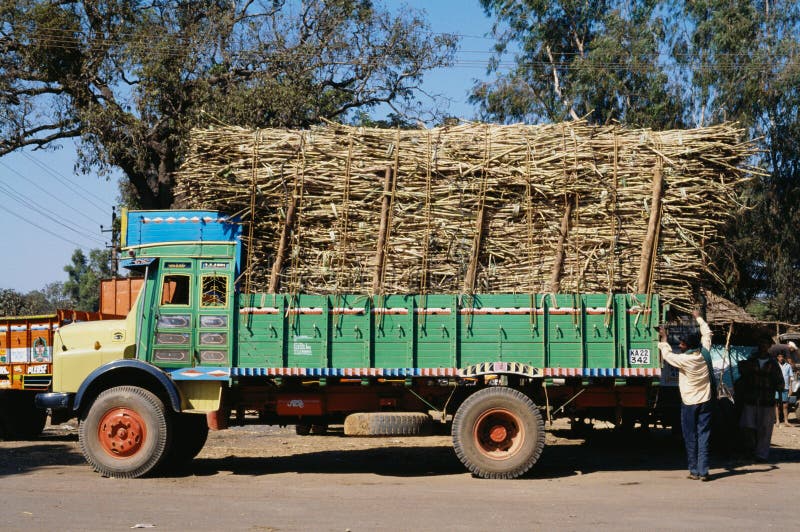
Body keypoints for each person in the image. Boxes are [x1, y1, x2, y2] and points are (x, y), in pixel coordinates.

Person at [658, 309, 713, 481]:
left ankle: (694, 471)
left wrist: (664, 338)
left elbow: (666, 355)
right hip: (706, 400)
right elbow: (707, 333)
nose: (680, 346)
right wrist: (698, 318)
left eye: (682, 344)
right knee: (704, 435)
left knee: (690, 436)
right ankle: (703, 471)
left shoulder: (684, 360)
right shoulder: (704, 353)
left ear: (688, 346)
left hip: (690, 402)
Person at [737, 341, 785, 462]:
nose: (763, 347)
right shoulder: (751, 361)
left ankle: (761, 455)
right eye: (761, 344)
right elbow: (742, 376)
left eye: (765, 344)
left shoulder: (773, 364)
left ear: (768, 347)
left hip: (767, 400)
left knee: (765, 429)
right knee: (747, 427)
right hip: (751, 400)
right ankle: (750, 450)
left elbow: (780, 382)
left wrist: (779, 397)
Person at [776, 352, 793, 427]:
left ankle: (786, 421)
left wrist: (790, 388)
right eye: (779, 357)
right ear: (777, 357)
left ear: (784, 357)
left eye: (782, 356)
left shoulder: (788, 366)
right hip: (776, 387)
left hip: (785, 387)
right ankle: (777, 421)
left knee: (785, 405)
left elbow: (791, 377)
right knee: (777, 405)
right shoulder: (775, 365)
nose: (781, 358)